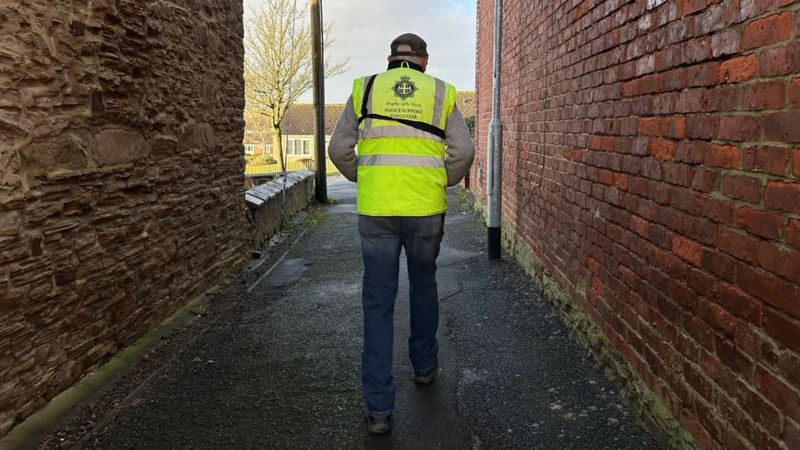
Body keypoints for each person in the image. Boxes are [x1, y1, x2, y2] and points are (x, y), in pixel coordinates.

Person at [329, 33, 474, 435]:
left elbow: (339, 148)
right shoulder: (440, 91)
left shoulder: (367, 88)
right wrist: (439, 182)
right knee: (424, 287)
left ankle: (378, 410)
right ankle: (425, 368)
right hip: (426, 212)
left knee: (377, 302)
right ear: (424, 60)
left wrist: (368, 178)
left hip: (377, 212)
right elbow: (463, 151)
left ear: (391, 59)